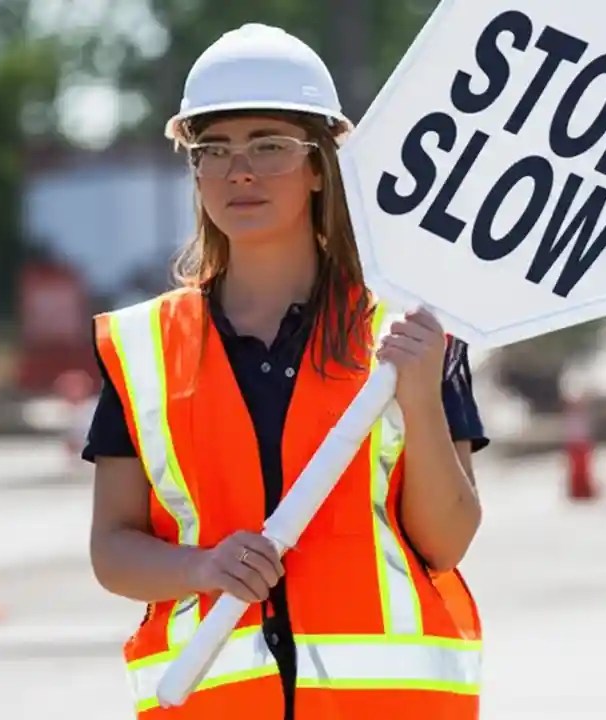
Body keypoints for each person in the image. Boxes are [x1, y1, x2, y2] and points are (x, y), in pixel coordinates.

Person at [84, 23, 487, 720]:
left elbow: (447, 541)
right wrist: (200, 568)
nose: (240, 170)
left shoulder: (410, 332)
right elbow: (112, 549)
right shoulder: (144, 345)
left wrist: (421, 401)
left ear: (317, 166)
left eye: (269, 145)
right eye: (214, 150)